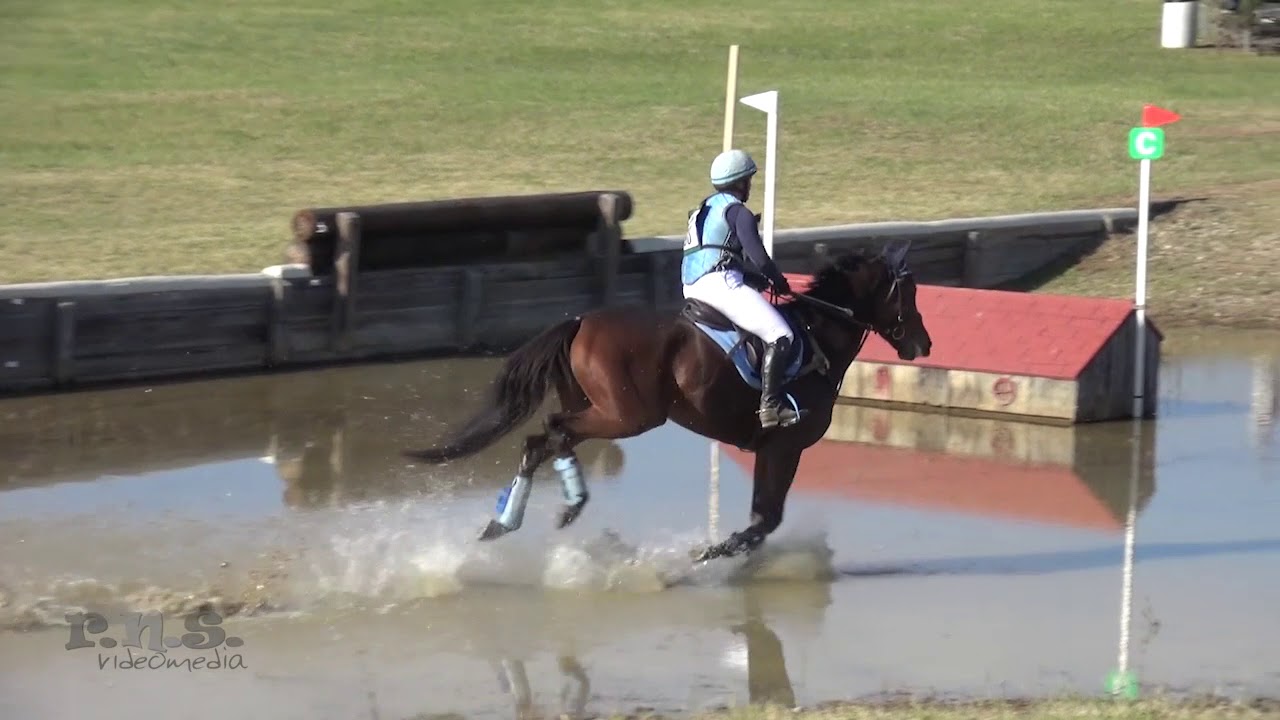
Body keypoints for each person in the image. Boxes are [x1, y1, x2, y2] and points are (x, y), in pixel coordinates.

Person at [682, 148, 800, 429]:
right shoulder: (738, 212)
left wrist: (753, 280)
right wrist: (777, 281)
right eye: (748, 180)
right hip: (719, 285)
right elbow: (759, 257)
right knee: (781, 334)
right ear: (740, 182)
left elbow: (715, 253)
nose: (749, 186)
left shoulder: (702, 208)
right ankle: (771, 405)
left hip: (690, 287)